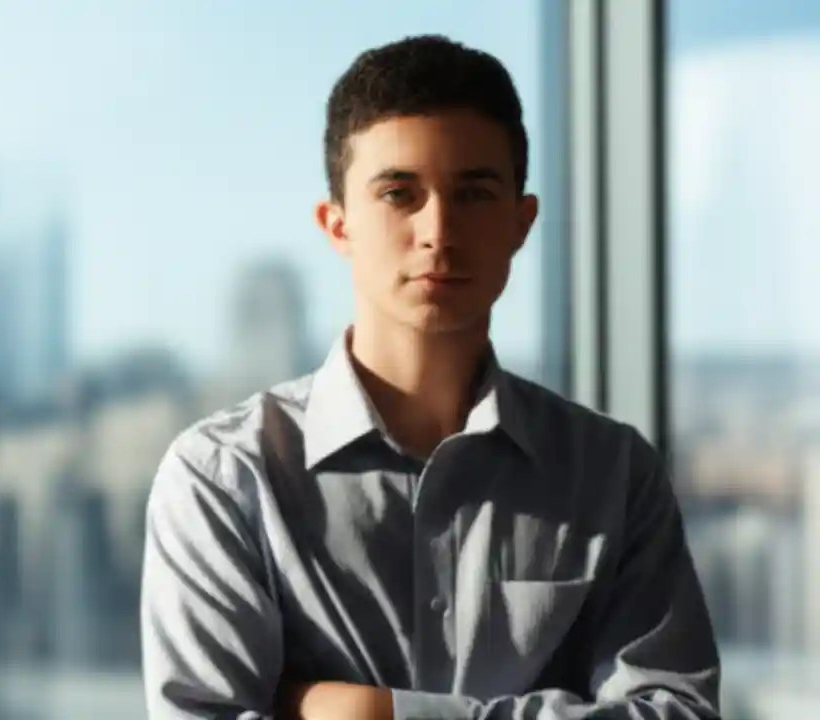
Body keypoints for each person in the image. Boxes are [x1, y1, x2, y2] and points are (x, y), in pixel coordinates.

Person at [139, 35, 721, 719]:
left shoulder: (614, 473)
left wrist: (374, 714)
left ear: (522, 221)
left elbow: (676, 712)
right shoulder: (225, 478)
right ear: (337, 224)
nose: (438, 230)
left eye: (473, 193)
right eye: (398, 193)